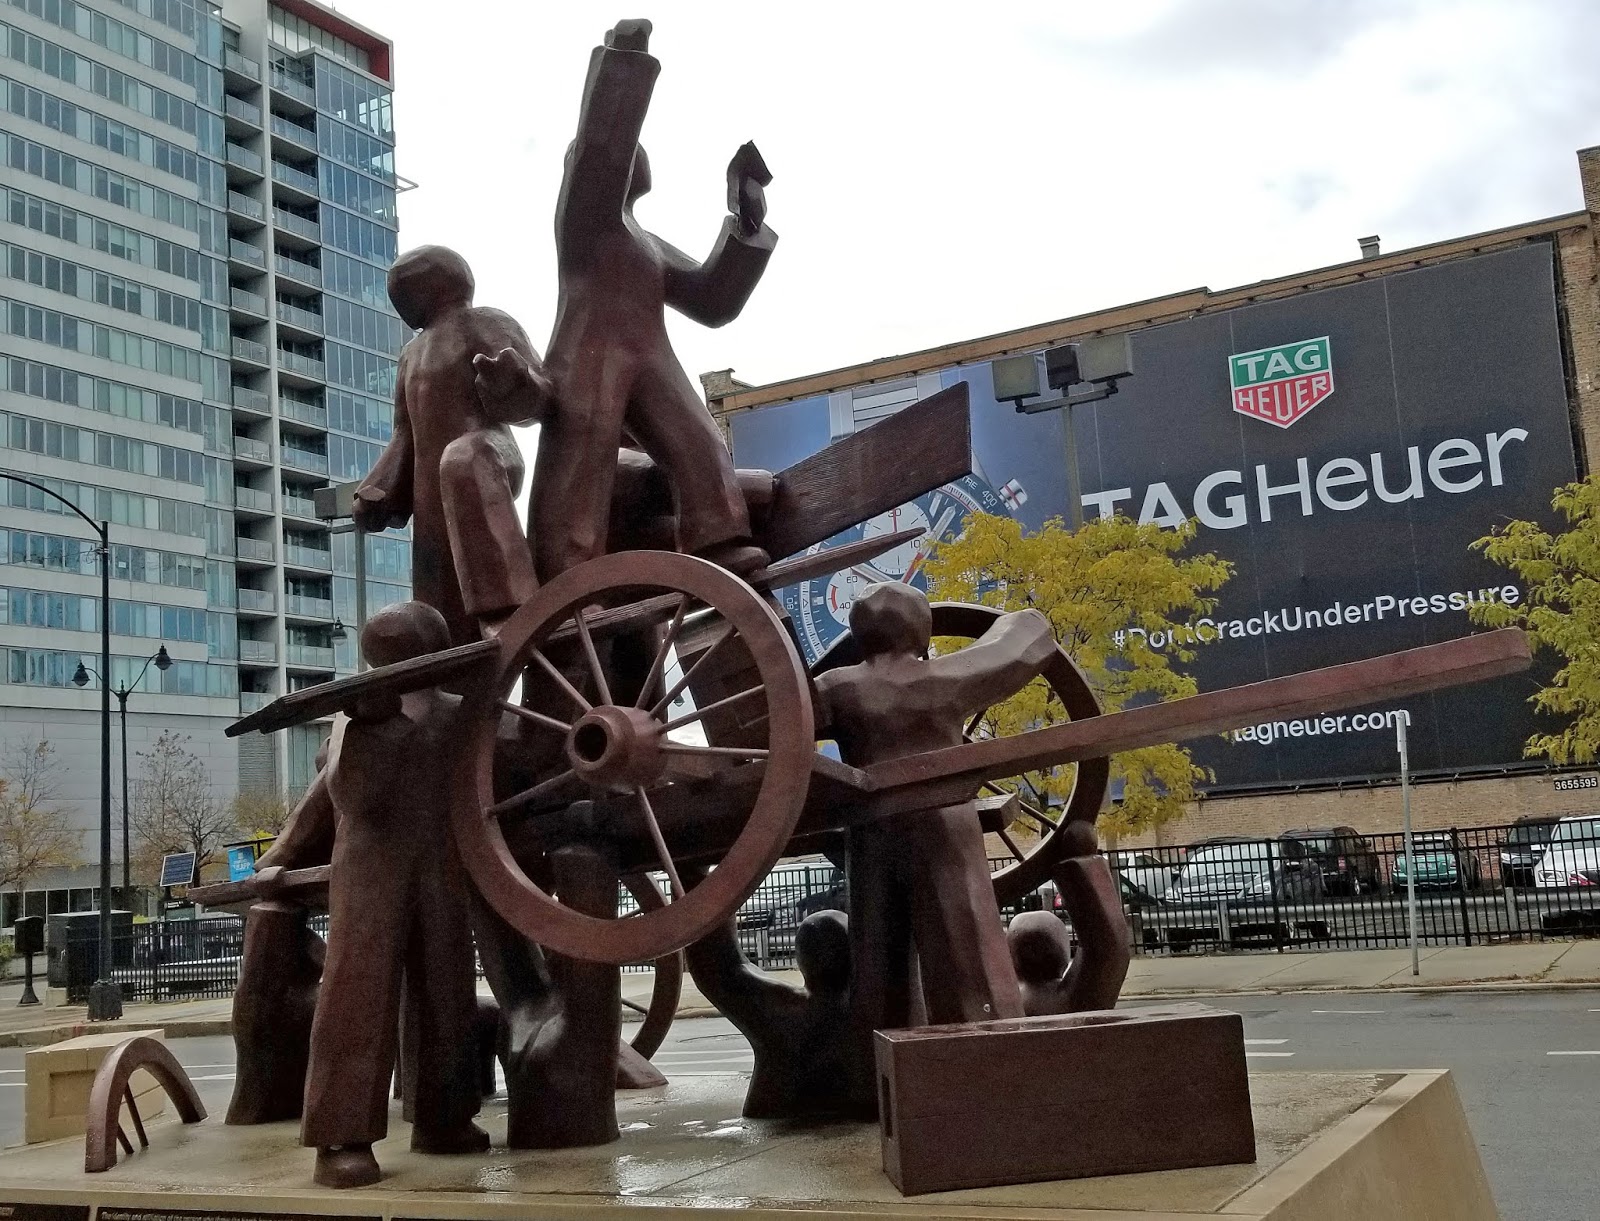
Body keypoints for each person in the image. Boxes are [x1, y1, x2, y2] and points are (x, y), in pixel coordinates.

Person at [528, 18, 775, 583]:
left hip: (650, 356)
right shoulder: (586, 219)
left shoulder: (645, 241)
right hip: (590, 357)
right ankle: (569, 575)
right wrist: (624, 60)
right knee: (581, 470)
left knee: (702, 445)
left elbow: (714, 300)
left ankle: (717, 544)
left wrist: (746, 224)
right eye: (623, 153)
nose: (630, 157)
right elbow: (599, 148)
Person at [813, 582, 1058, 1115]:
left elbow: (777, 720)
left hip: (871, 833)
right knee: (964, 946)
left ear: (859, 636)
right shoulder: (948, 676)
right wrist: (1024, 618)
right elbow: (1029, 639)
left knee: (877, 955)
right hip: (945, 828)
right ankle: (982, 1080)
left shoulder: (836, 687)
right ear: (923, 632)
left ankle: (873, 1088)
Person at [296, 601, 487, 1188]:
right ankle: (340, 1135)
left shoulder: (463, 712)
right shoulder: (356, 720)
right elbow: (353, 800)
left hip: (443, 863)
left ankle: (443, 1116)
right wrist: (379, 724)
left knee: (446, 987)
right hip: (372, 869)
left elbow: (510, 757)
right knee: (359, 990)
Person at [353, 246, 554, 646]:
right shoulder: (409, 355)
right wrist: (377, 489)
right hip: (432, 488)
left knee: (461, 460)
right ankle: (453, 681)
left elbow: (541, 396)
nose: (400, 299)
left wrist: (516, 384)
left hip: (486, 454)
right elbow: (403, 434)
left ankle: (511, 606)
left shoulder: (483, 321)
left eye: (406, 288)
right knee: (437, 579)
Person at [682, 865, 852, 1119]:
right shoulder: (870, 1009)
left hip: (775, 1111)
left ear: (802, 958)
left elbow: (722, 969)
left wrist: (698, 880)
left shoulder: (785, 1012)